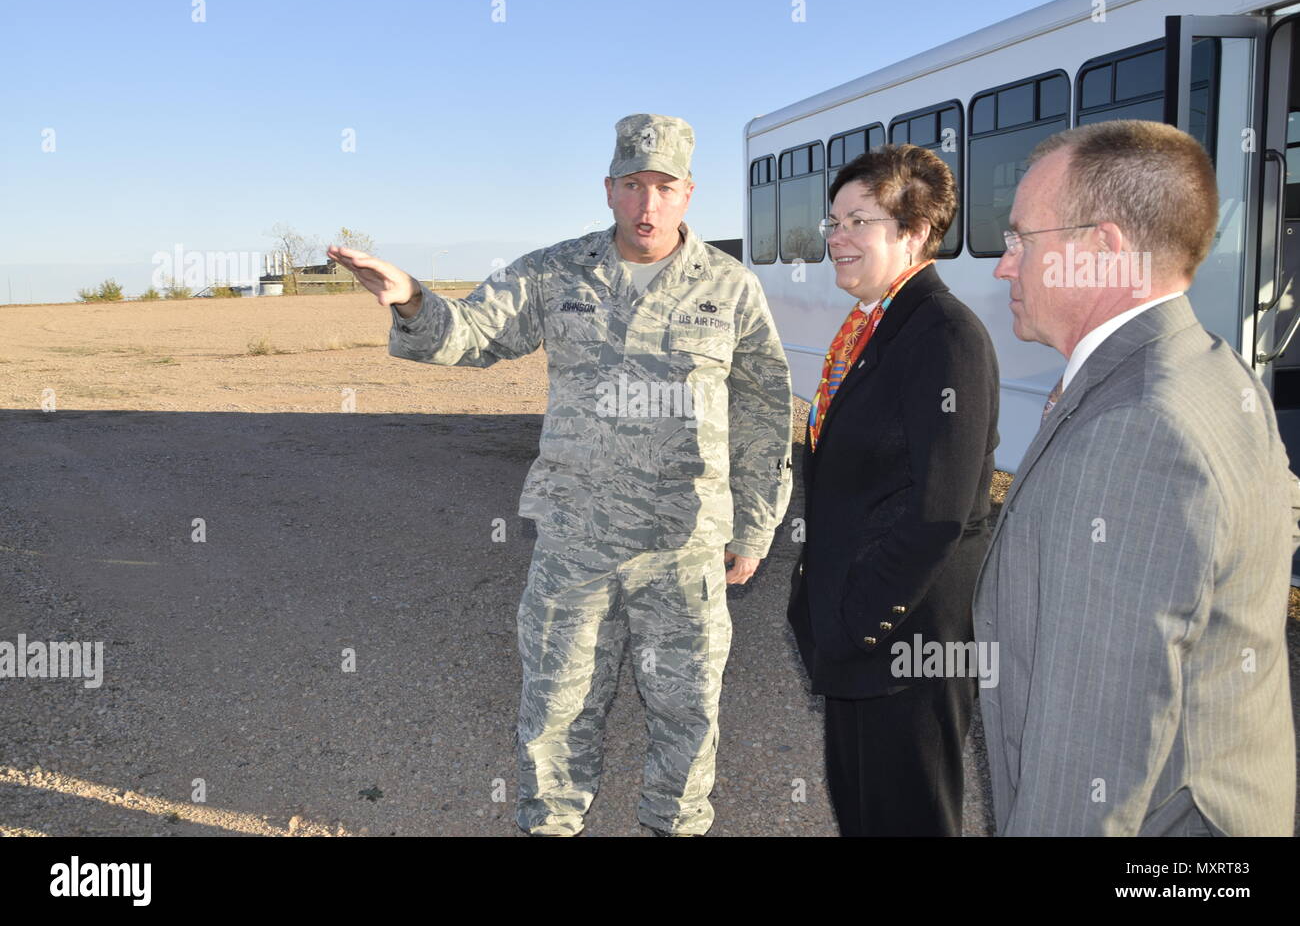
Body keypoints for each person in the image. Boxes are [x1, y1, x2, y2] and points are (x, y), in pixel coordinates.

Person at [327, 114, 793, 837]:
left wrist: (756, 522)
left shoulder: (731, 289)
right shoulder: (555, 271)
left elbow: (762, 410)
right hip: (578, 540)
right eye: (633, 185)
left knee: (688, 711)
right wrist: (412, 298)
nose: (647, 204)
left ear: (689, 194)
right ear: (608, 189)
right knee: (556, 709)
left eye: (664, 187)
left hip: (685, 544)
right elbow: (475, 334)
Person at [976, 118, 1300, 835]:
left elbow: (1090, 758)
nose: (1005, 266)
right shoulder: (1212, 369)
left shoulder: (1136, 427)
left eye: (1021, 239)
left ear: (1100, 251)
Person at [786, 144, 999, 836]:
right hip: (858, 639)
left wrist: (857, 621)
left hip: (907, 643)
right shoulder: (870, 326)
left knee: (908, 819)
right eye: (834, 222)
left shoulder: (945, 337)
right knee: (864, 814)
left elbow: (940, 512)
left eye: (859, 222)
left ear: (912, 234)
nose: (837, 240)